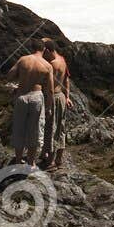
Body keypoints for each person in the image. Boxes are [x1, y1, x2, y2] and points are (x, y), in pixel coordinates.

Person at [6, 43, 57, 168]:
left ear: (32, 48)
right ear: (44, 49)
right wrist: (49, 107)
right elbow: (50, 90)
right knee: (35, 130)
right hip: (36, 96)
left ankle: (18, 160)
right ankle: (31, 162)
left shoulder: (23, 59)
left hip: (22, 96)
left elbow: (9, 75)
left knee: (19, 128)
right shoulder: (47, 65)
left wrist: (19, 83)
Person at [41, 39, 72, 171]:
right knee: (61, 127)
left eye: (43, 51)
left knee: (51, 128)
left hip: (53, 97)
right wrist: (68, 97)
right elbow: (66, 80)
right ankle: (58, 159)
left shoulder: (51, 65)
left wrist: (48, 104)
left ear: (48, 50)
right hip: (61, 97)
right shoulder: (62, 60)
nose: (42, 54)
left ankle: (50, 162)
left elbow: (49, 87)